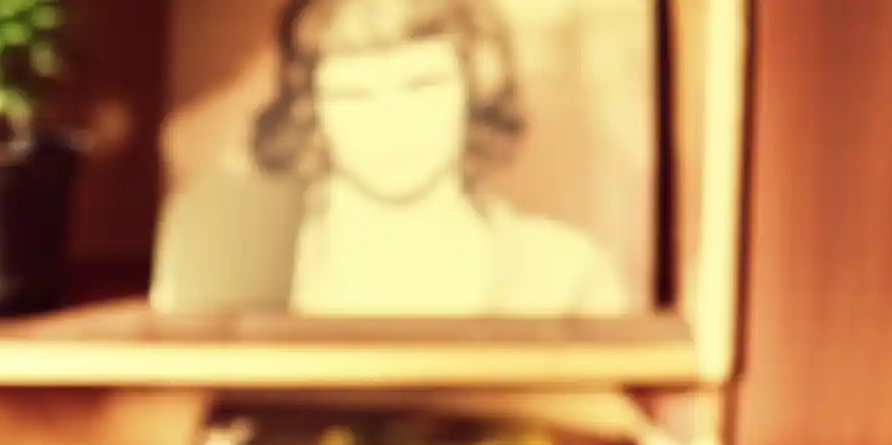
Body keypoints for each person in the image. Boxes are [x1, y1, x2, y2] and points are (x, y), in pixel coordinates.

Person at [254, 0, 628, 317]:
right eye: (353, 94)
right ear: (309, 109)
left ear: (476, 88)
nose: (392, 121)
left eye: (422, 85)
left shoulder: (565, 275)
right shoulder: (258, 274)